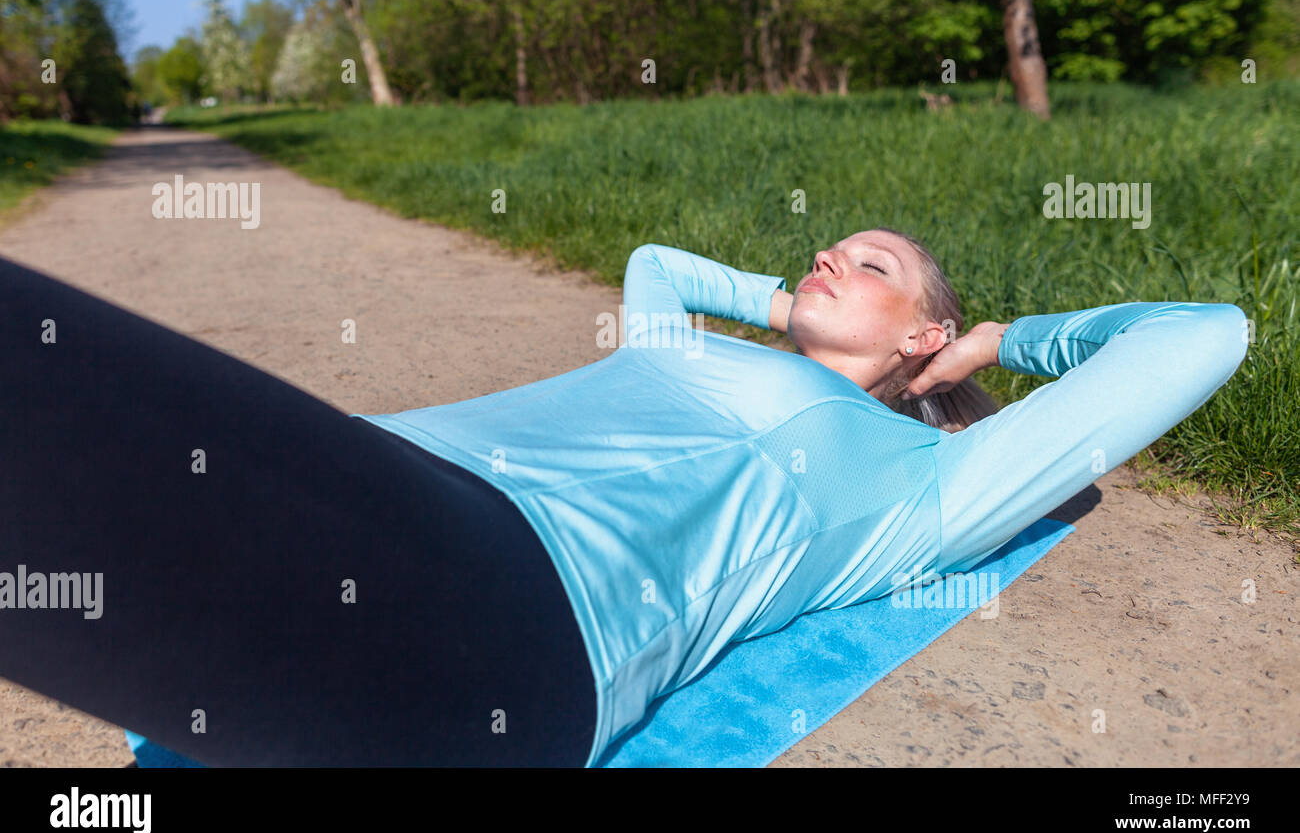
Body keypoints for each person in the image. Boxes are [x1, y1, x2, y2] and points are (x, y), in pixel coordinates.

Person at [0, 229, 1248, 767]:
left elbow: (1203, 332)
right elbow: (657, 262)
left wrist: (989, 346)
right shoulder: (667, 342)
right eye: (824, 249)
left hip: (505, 610)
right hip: (375, 485)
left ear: (923, 329)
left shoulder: (925, 481)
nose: (823, 256)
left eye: (866, 263)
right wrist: (795, 311)